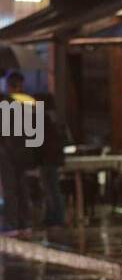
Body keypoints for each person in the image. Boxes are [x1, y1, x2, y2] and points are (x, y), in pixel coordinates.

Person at [0, 70, 37, 235]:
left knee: (10, 188)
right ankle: (25, 221)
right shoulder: (30, 101)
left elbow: (5, 130)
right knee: (22, 187)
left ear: (9, 86)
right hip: (26, 151)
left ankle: (11, 222)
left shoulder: (7, 103)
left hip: (9, 151)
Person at [34, 92, 68, 227]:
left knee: (50, 188)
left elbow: (41, 141)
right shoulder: (54, 118)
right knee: (52, 188)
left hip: (46, 159)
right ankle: (53, 216)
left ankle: (56, 217)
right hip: (52, 158)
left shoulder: (43, 119)